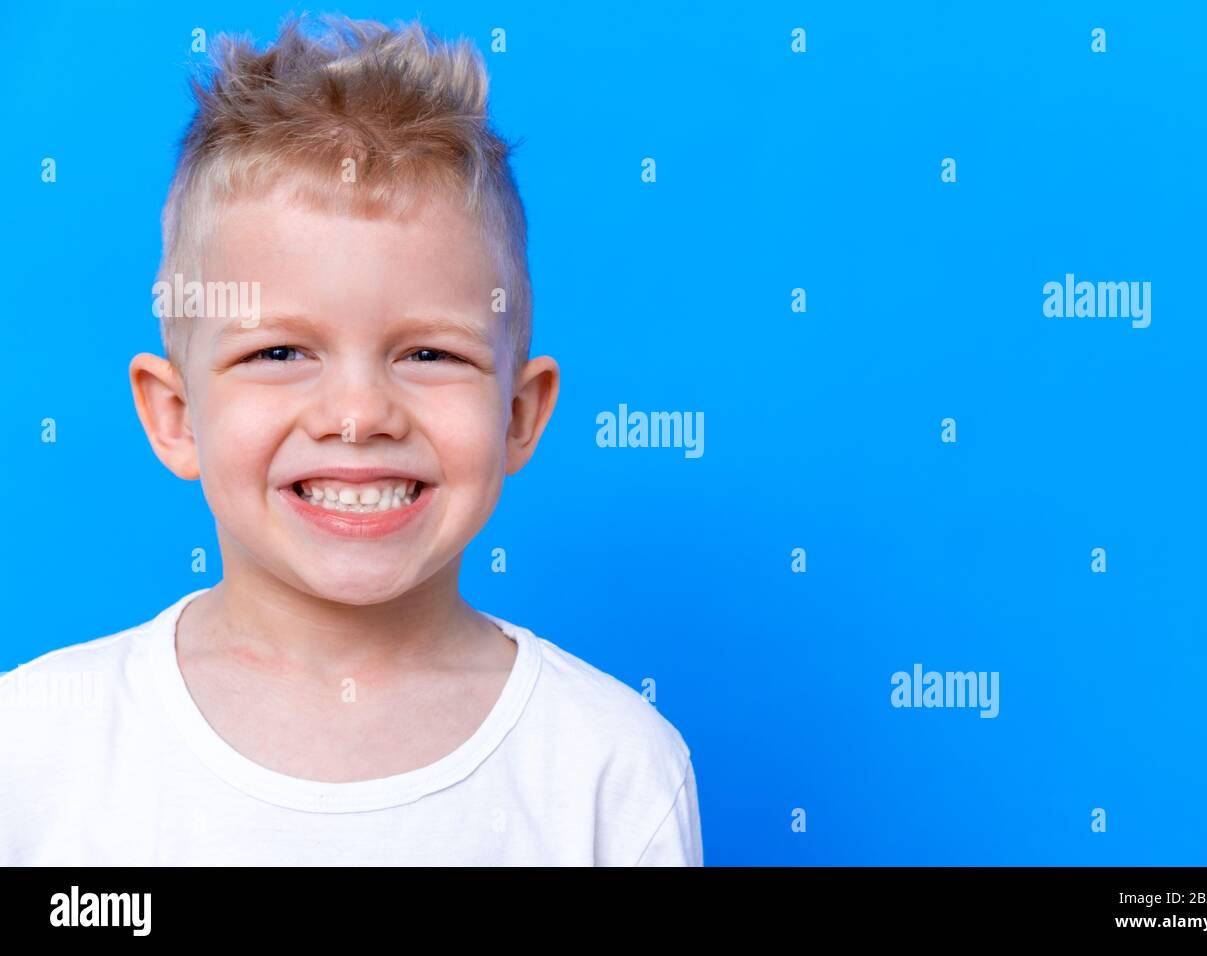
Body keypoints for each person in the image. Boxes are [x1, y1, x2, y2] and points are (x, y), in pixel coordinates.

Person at [0, 14, 701, 866]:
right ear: (175, 414)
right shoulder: (32, 747)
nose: (359, 413)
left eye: (429, 352)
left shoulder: (611, 768)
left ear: (519, 413)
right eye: (280, 351)